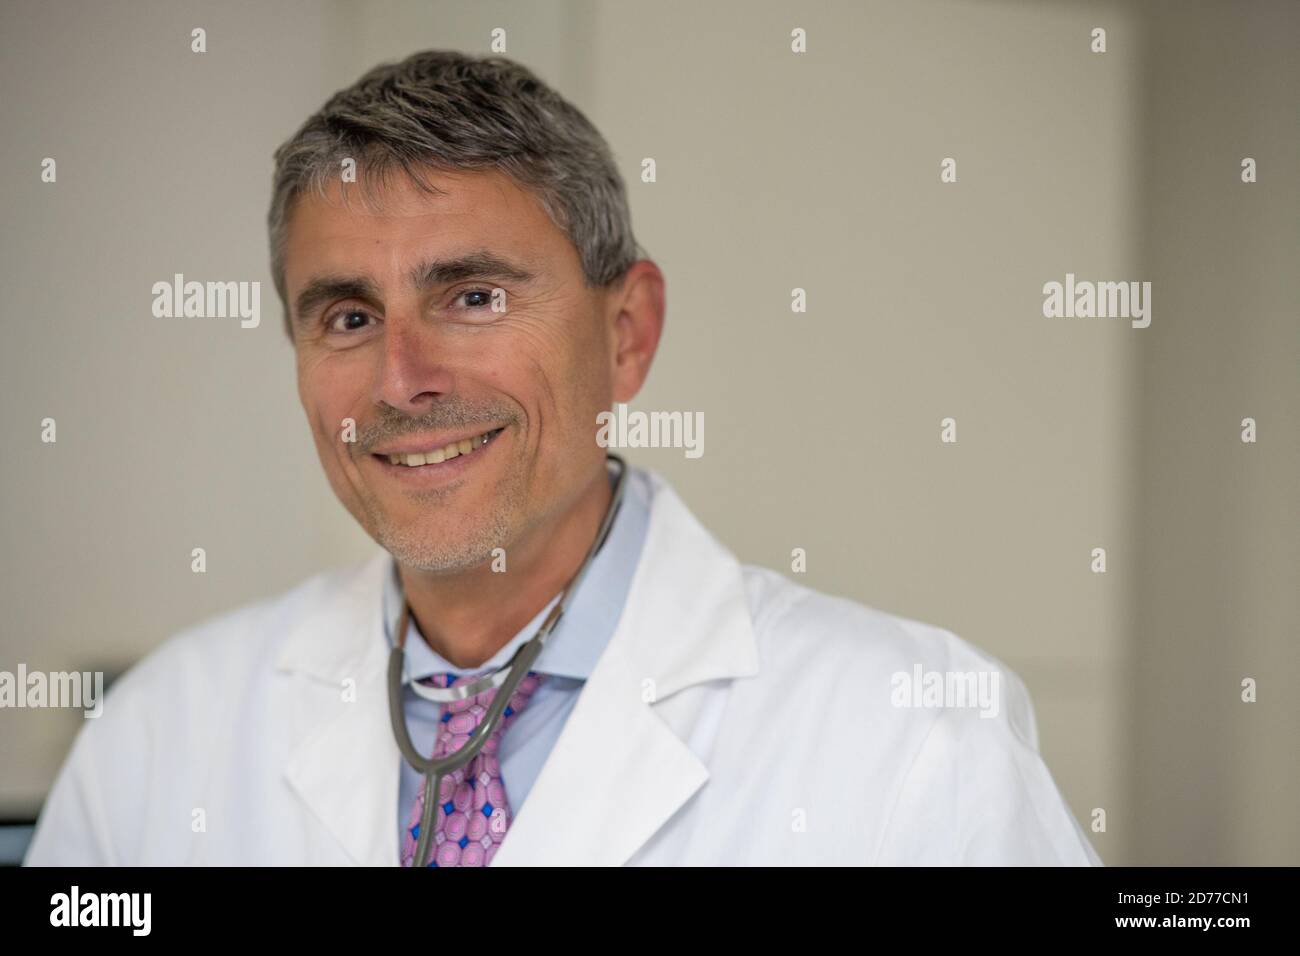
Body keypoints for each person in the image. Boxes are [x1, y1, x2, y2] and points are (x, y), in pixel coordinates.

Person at [25, 50, 1100, 867]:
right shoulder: (160, 739)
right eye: (347, 316)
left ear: (626, 332)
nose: (402, 381)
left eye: (474, 296)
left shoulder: (915, 741)